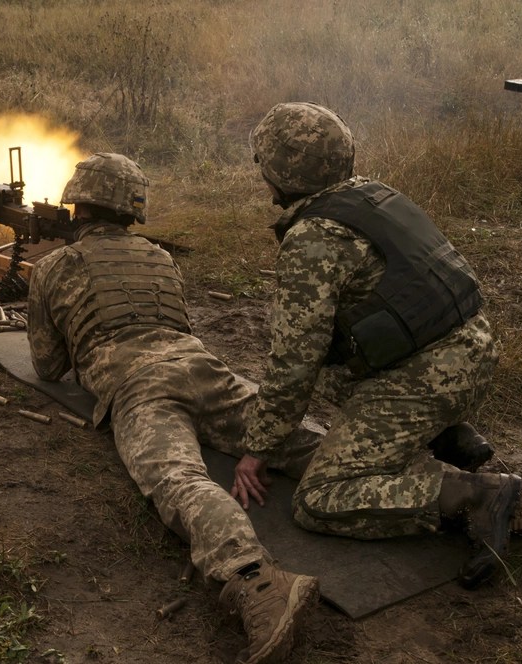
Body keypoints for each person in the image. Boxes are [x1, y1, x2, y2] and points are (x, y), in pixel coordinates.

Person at [234, 101, 522, 589]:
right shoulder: (373, 196)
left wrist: (257, 449)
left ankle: (474, 495)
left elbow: (293, 363)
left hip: (427, 378)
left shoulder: (314, 238)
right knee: (335, 365)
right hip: (473, 349)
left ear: (277, 170)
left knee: (320, 497)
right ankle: (449, 437)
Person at [28, 153, 324, 664]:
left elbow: (48, 366)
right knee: (300, 442)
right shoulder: (160, 258)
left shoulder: (54, 267)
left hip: (140, 386)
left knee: (179, 480)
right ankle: (461, 491)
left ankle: (256, 583)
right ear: (133, 211)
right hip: (204, 368)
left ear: (76, 206)